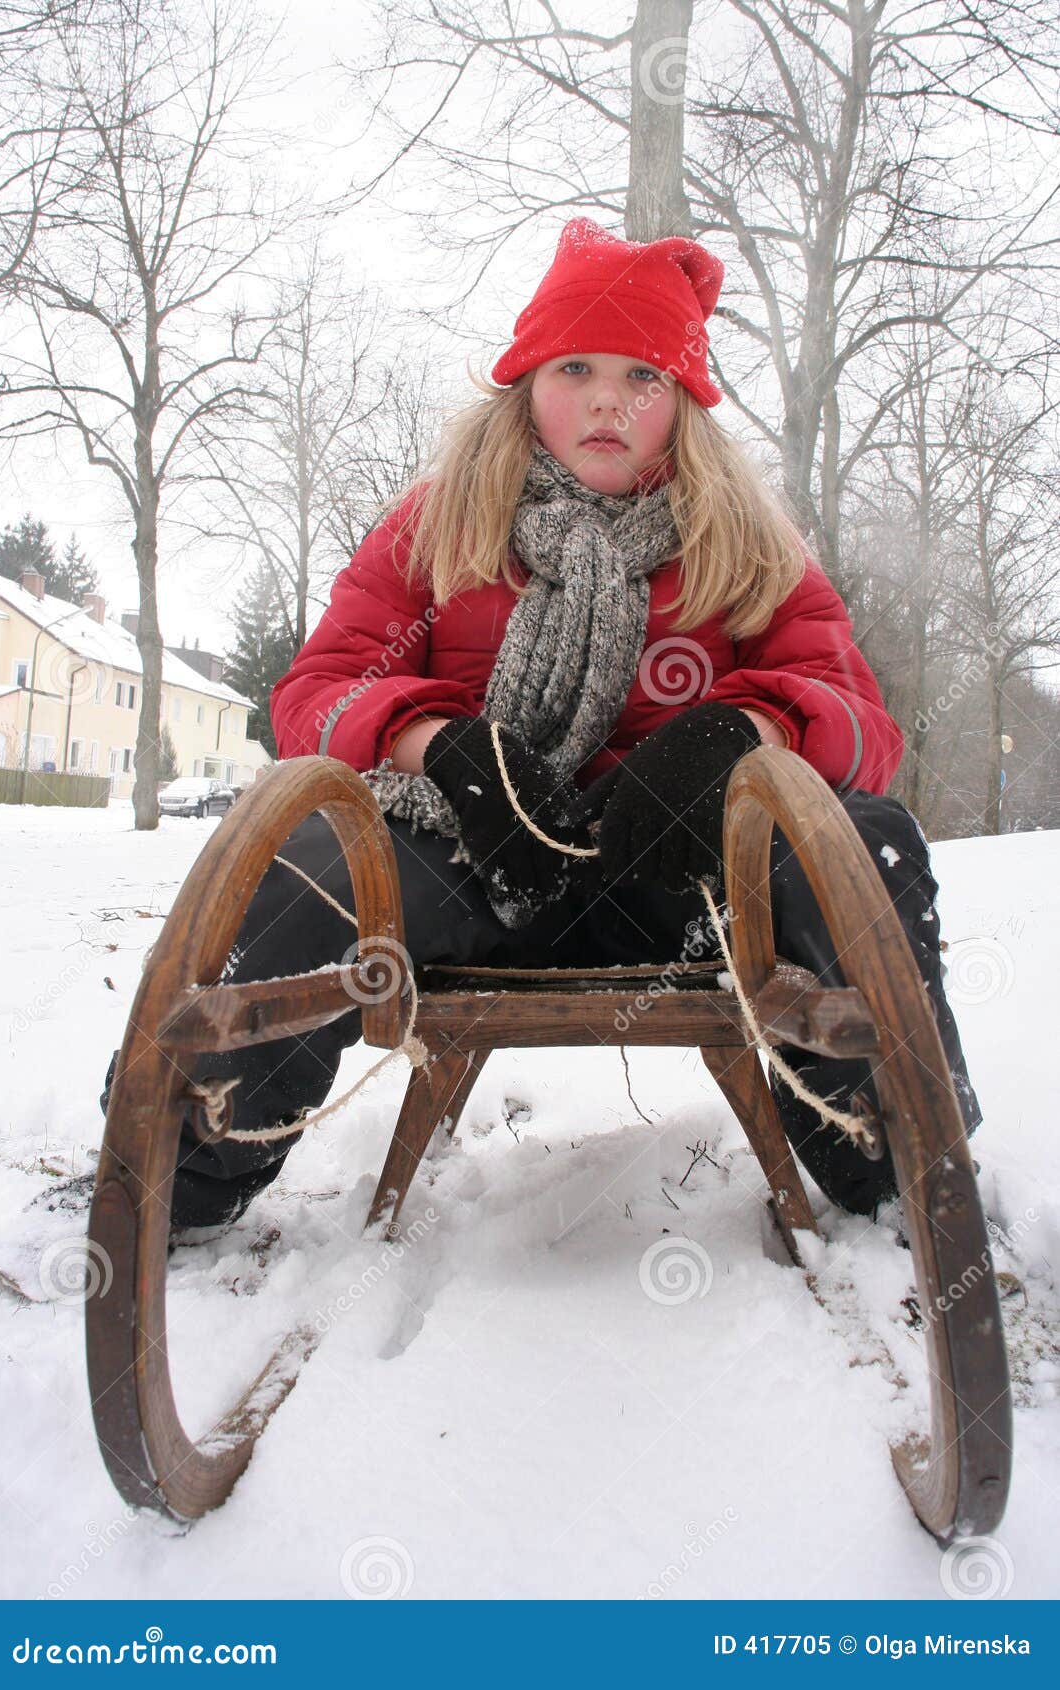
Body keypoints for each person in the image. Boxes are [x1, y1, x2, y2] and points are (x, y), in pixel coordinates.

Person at [102, 216, 981, 1232]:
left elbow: (861, 720)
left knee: (862, 843)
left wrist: (744, 738)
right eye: (576, 366)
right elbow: (315, 694)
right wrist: (442, 748)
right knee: (306, 859)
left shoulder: (745, 540)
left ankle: (904, 1160)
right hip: (473, 866)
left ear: (682, 405)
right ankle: (173, 1171)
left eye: (642, 375)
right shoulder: (437, 523)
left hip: (686, 882)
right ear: (526, 381)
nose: (608, 397)